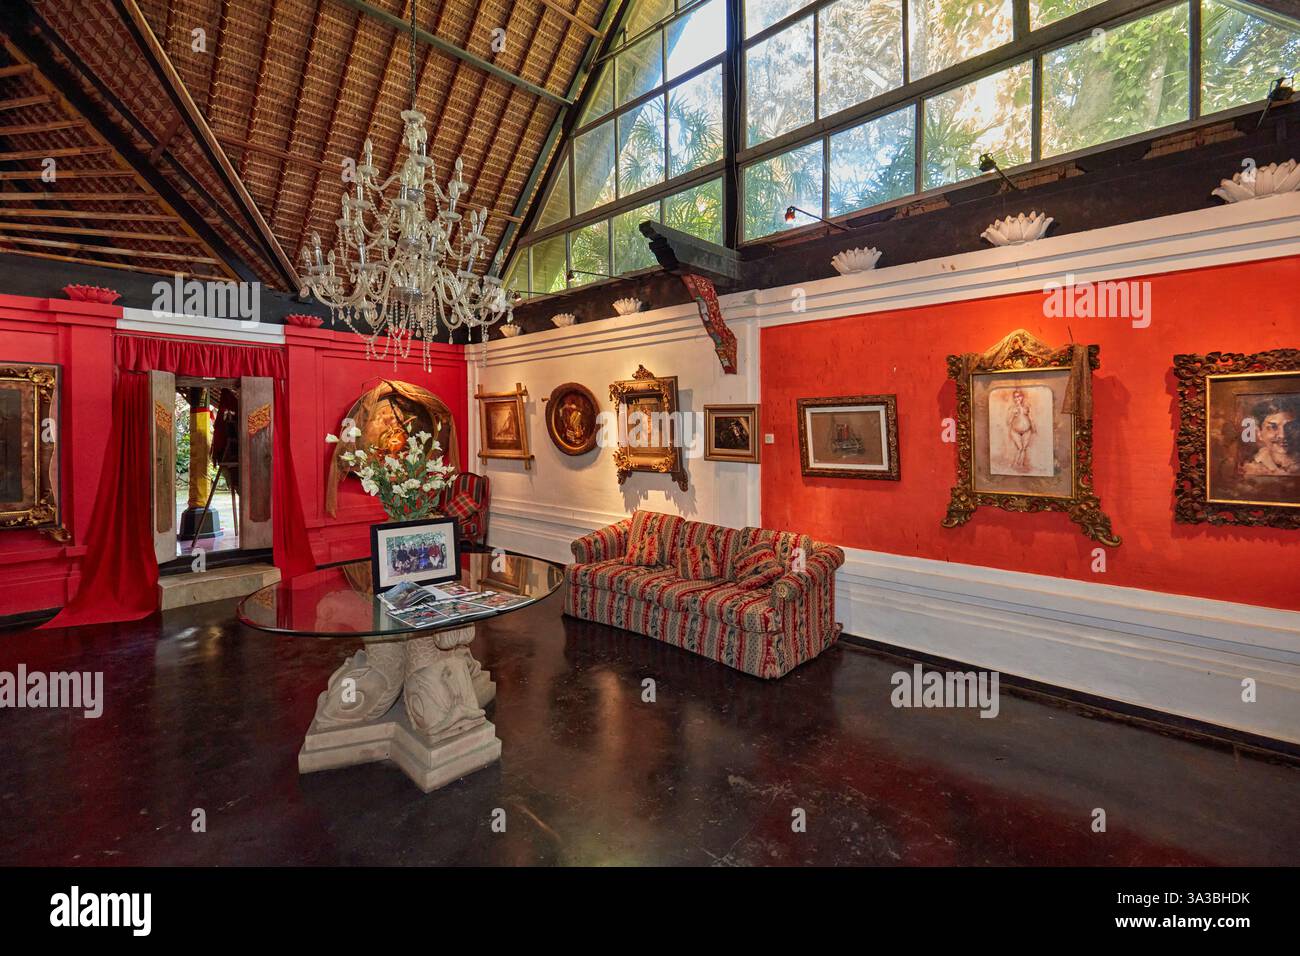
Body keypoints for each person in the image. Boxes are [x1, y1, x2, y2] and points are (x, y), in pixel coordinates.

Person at [1242, 398, 1300, 476]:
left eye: (1290, 426)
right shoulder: (1251, 466)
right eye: (1273, 427)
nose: (1282, 435)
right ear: (1259, 433)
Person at [1006, 389, 1036, 472]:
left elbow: (1031, 418)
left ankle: (1021, 464)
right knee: (1020, 448)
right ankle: (1015, 463)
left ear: (1022, 397)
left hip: (1027, 430)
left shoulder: (1027, 406)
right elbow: (1008, 422)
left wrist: (1033, 427)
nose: (1017, 399)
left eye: (1018, 396)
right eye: (1015, 397)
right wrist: (1013, 414)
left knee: (1024, 448)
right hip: (1015, 431)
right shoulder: (1012, 408)